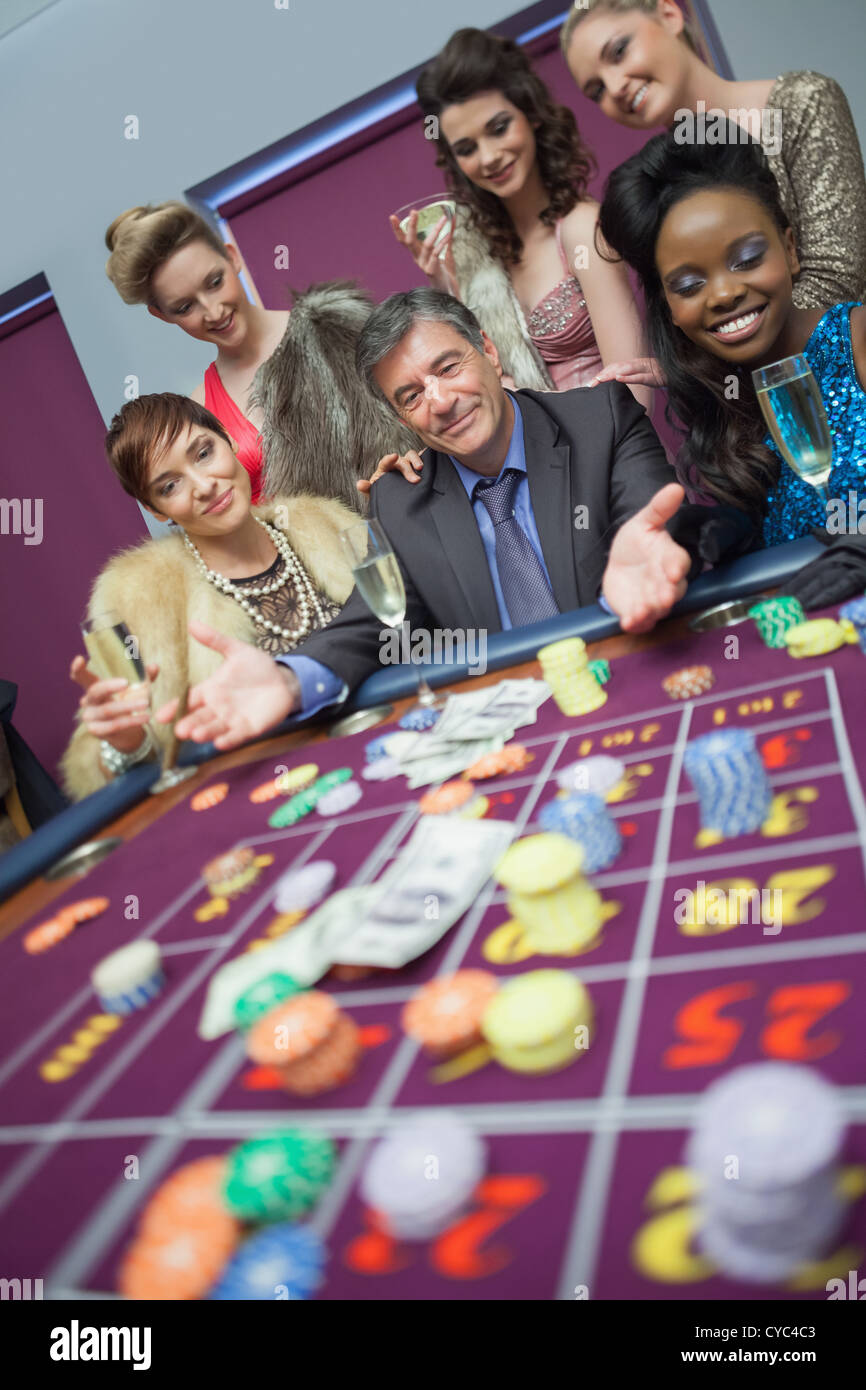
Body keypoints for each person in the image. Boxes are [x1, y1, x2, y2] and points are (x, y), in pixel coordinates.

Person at [162, 289, 751, 751]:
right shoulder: (400, 500)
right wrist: (290, 680)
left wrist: (648, 557)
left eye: (448, 366)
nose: (440, 401)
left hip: (638, 687)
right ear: (399, 417)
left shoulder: (601, 418)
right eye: (411, 396)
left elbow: (651, 524)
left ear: (489, 352)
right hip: (516, 737)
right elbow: (376, 626)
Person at [596, 130, 866, 605]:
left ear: (790, 249)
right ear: (671, 309)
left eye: (746, 259)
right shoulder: (725, 399)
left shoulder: (859, 340)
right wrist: (722, 541)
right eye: (688, 284)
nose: (723, 294)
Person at [60, 393, 357, 800]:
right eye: (170, 485)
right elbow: (103, 754)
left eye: (203, 453)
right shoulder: (137, 594)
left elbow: (409, 621)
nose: (203, 486)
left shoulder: (327, 523)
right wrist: (123, 745)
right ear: (155, 509)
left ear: (229, 442)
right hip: (263, 796)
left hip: (387, 738)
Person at [562, 0, 866, 390]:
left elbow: (837, 274)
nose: (616, 87)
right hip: (757, 409)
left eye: (619, 51)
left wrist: (704, 362)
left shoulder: (798, 104)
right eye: (596, 89)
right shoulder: (659, 183)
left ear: (669, 14)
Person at [390, 27, 651, 407]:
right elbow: (475, 394)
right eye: (466, 148)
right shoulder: (477, 255)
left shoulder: (581, 230)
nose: (489, 156)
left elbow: (635, 398)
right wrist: (444, 284)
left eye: (499, 128)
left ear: (530, 114)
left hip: (617, 458)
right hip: (531, 465)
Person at [105, 204, 416, 508]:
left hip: (414, 520)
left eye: (215, 283)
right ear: (161, 315)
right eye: (185, 307)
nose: (213, 311)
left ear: (233, 257)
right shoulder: (200, 411)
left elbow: (426, 405)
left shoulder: (341, 326)